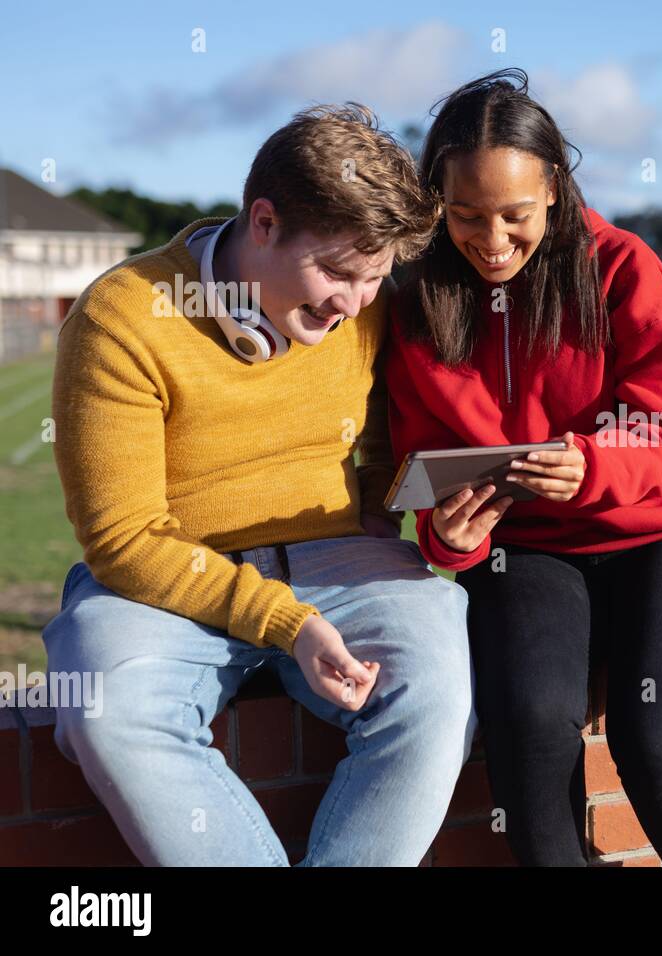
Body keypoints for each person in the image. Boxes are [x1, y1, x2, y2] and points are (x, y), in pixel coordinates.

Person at [41, 105, 473, 866]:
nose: (352, 303)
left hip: (341, 560)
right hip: (167, 577)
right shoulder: (124, 317)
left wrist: (379, 507)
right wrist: (287, 622)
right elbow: (122, 537)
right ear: (264, 222)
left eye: (375, 279)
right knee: (104, 706)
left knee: (440, 686)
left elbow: (376, 433)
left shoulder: (363, 308)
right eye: (337, 272)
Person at [386, 69, 662, 866]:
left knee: (654, 739)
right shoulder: (417, 304)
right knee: (530, 729)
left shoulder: (622, 268)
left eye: (515, 215)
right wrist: (446, 538)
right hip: (529, 549)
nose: (492, 240)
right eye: (465, 215)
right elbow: (420, 464)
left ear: (554, 186)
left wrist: (593, 466)